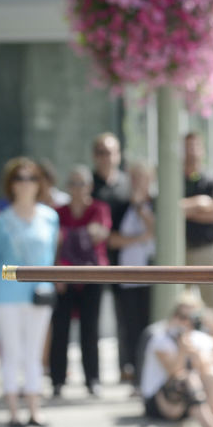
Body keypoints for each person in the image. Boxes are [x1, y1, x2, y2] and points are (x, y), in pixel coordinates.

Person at [0, 157, 59, 427]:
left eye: (31, 178)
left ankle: (34, 408)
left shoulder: (50, 217)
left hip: (39, 293)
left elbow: (50, 256)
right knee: (12, 351)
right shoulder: (1, 220)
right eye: (20, 178)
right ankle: (13, 410)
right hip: (7, 295)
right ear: (11, 185)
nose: (26, 184)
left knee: (35, 351)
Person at [50, 165, 111, 398]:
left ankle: (92, 380)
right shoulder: (58, 212)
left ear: (90, 186)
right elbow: (54, 243)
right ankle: (57, 380)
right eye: (73, 183)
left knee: (90, 329)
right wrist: (57, 272)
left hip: (92, 275)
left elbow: (100, 233)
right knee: (61, 329)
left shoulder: (99, 208)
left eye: (82, 183)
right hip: (64, 276)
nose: (78, 188)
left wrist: (69, 236)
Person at [139, 299, 213, 427]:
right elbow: (174, 373)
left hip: (191, 398)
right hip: (161, 401)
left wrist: (198, 356)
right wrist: (182, 352)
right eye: (181, 316)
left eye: (192, 318)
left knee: (212, 373)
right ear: (174, 316)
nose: (186, 322)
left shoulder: (198, 338)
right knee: (187, 378)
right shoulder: (160, 339)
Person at [108, 161, 155, 387]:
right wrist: (138, 239)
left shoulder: (156, 204)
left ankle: (150, 374)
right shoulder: (119, 206)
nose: (137, 183)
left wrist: (140, 207)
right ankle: (133, 372)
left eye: (141, 177)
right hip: (127, 278)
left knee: (150, 326)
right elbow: (113, 239)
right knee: (130, 327)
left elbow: (157, 230)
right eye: (133, 178)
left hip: (154, 279)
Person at [90, 132, 132, 379]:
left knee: (125, 316)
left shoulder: (126, 184)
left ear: (118, 155)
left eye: (111, 152)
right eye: (101, 152)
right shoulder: (88, 184)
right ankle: (93, 376)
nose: (106, 157)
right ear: (95, 156)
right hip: (94, 260)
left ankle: (125, 367)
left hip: (123, 258)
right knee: (92, 319)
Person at [182, 131, 213, 323]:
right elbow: (166, 210)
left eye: (195, 146)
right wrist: (199, 203)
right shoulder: (174, 180)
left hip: (206, 251)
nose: (192, 151)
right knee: (179, 308)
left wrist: (184, 210)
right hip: (179, 252)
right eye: (188, 146)